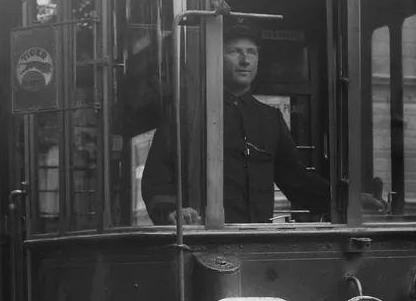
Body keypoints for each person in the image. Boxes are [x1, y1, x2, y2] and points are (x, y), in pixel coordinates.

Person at [141, 25, 331, 225]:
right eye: (234, 52)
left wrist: (344, 200)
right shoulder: (186, 115)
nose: (245, 60)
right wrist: (170, 211)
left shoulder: (270, 118)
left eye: (252, 52)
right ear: (216, 58)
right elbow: (158, 177)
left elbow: (297, 180)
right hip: (202, 240)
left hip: (257, 242)